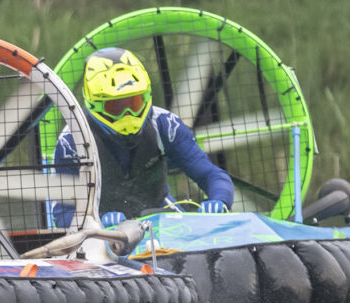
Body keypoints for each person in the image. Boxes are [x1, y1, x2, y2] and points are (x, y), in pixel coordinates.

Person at [54, 47, 234, 227]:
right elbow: (63, 214)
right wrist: (98, 220)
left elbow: (212, 175)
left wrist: (219, 200)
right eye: (115, 108)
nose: (128, 115)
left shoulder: (166, 125)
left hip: (160, 217)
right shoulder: (71, 142)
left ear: (146, 95)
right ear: (95, 104)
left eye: (134, 102)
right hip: (102, 233)